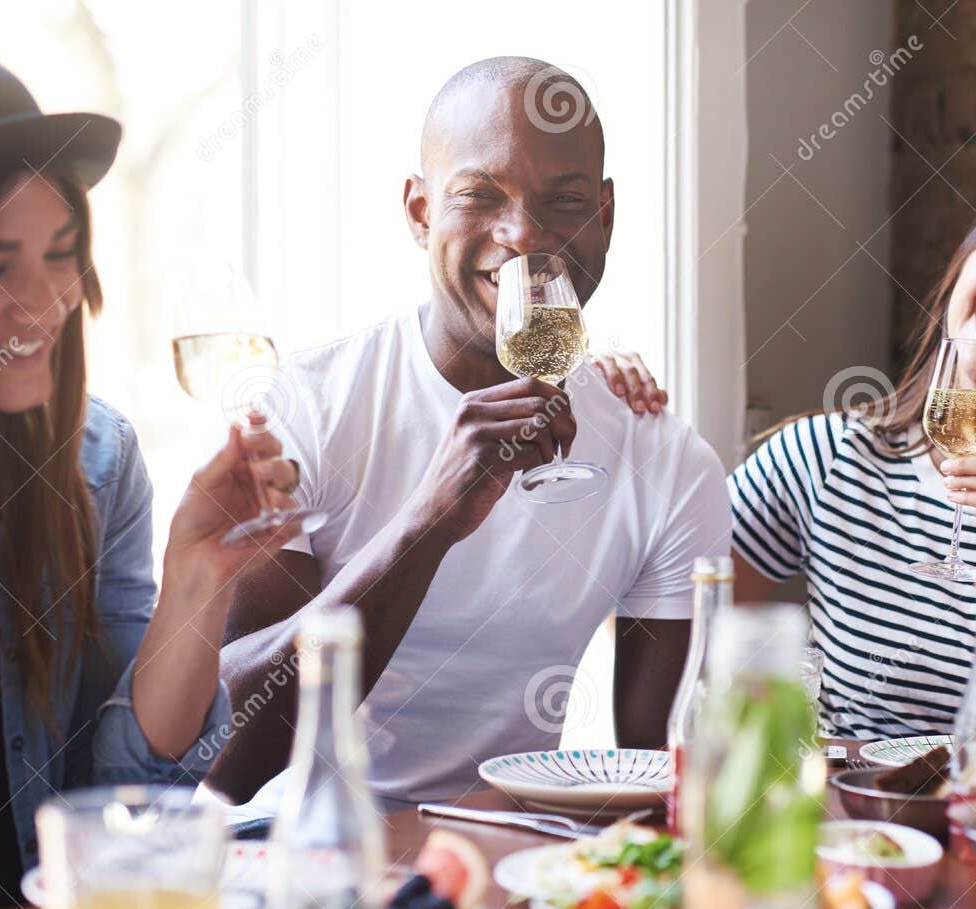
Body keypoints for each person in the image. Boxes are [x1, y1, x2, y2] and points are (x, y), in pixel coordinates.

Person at [211, 57, 728, 805]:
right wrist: (429, 522)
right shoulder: (303, 408)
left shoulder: (666, 459)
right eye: (479, 195)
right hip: (292, 861)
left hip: (515, 854)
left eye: (566, 199)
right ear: (420, 213)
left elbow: (661, 777)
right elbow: (228, 748)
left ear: (605, 219)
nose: (522, 234)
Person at [0, 55, 298, 909]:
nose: (44, 303)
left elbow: (123, 795)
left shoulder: (96, 461)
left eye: (60, 256)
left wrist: (200, 580)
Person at [625, 181, 976, 739]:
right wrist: (614, 435)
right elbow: (671, 612)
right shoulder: (828, 454)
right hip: (844, 808)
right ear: (964, 271)